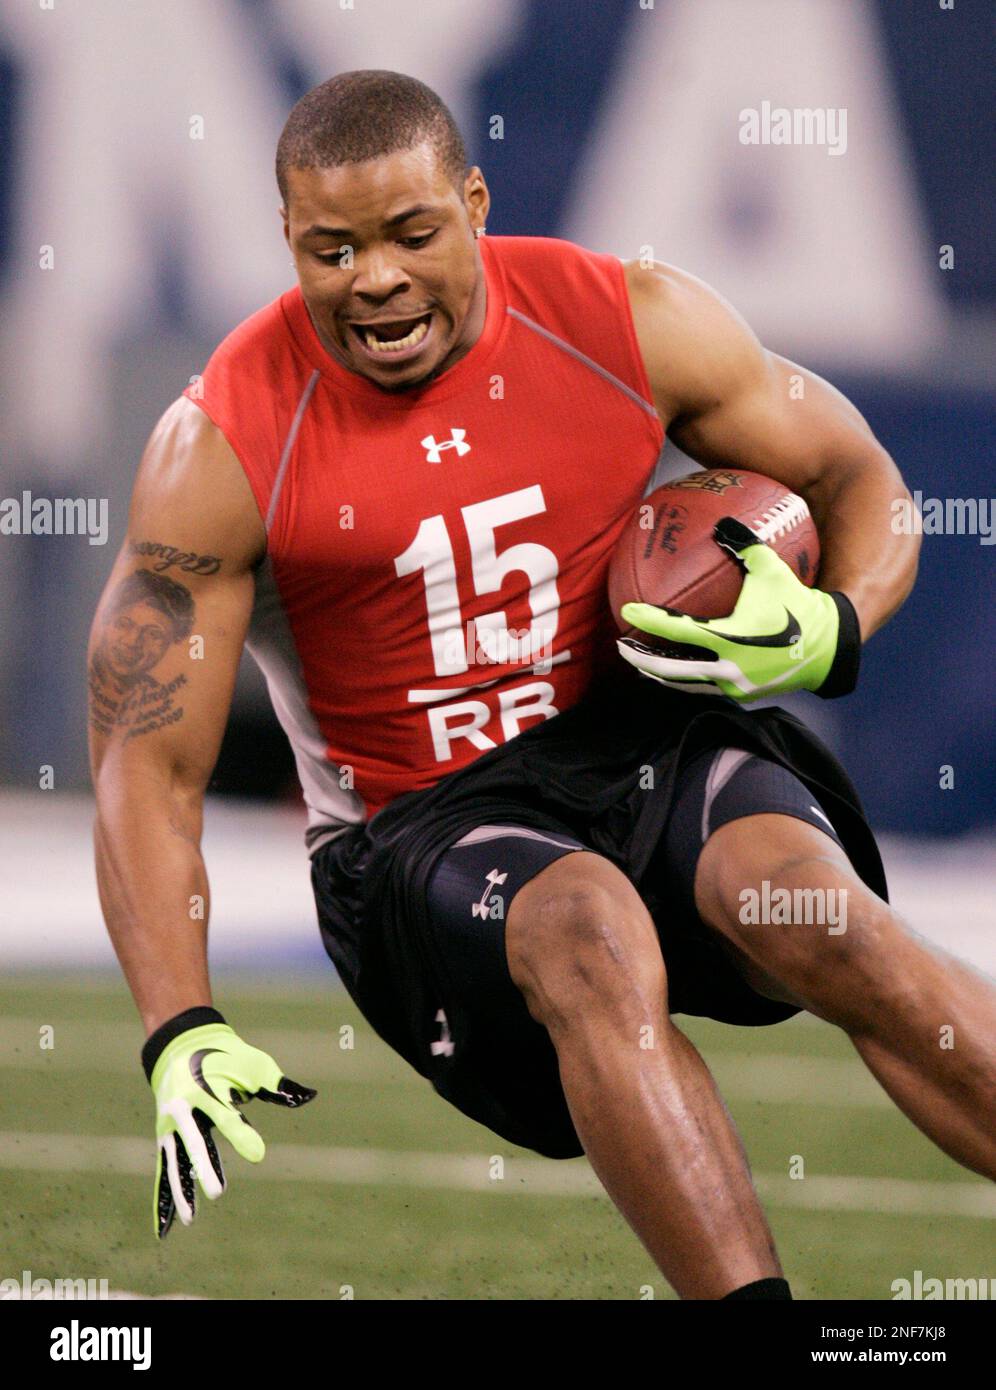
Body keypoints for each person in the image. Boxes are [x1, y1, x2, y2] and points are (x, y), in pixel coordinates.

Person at [88, 70, 996, 1300]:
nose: (376, 277)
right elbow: (148, 757)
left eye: (412, 233)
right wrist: (176, 1020)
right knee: (591, 933)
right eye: (332, 248)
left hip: (642, 740)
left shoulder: (624, 317)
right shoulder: (227, 438)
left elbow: (856, 474)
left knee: (832, 923)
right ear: (288, 242)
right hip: (427, 819)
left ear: (473, 203)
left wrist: (838, 623)